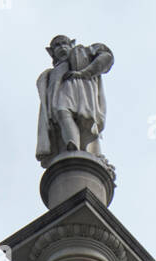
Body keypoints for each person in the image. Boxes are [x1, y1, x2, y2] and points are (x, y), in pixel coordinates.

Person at [36, 34, 114, 166]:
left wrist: (86, 72)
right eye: (57, 46)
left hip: (82, 94)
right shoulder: (50, 73)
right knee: (61, 112)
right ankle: (72, 143)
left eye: (64, 43)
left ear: (71, 44)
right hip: (62, 96)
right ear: (52, 52)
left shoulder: (83, 53)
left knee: (83, 122)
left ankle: (81, 148)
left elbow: (106, 56)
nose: (61, 47)